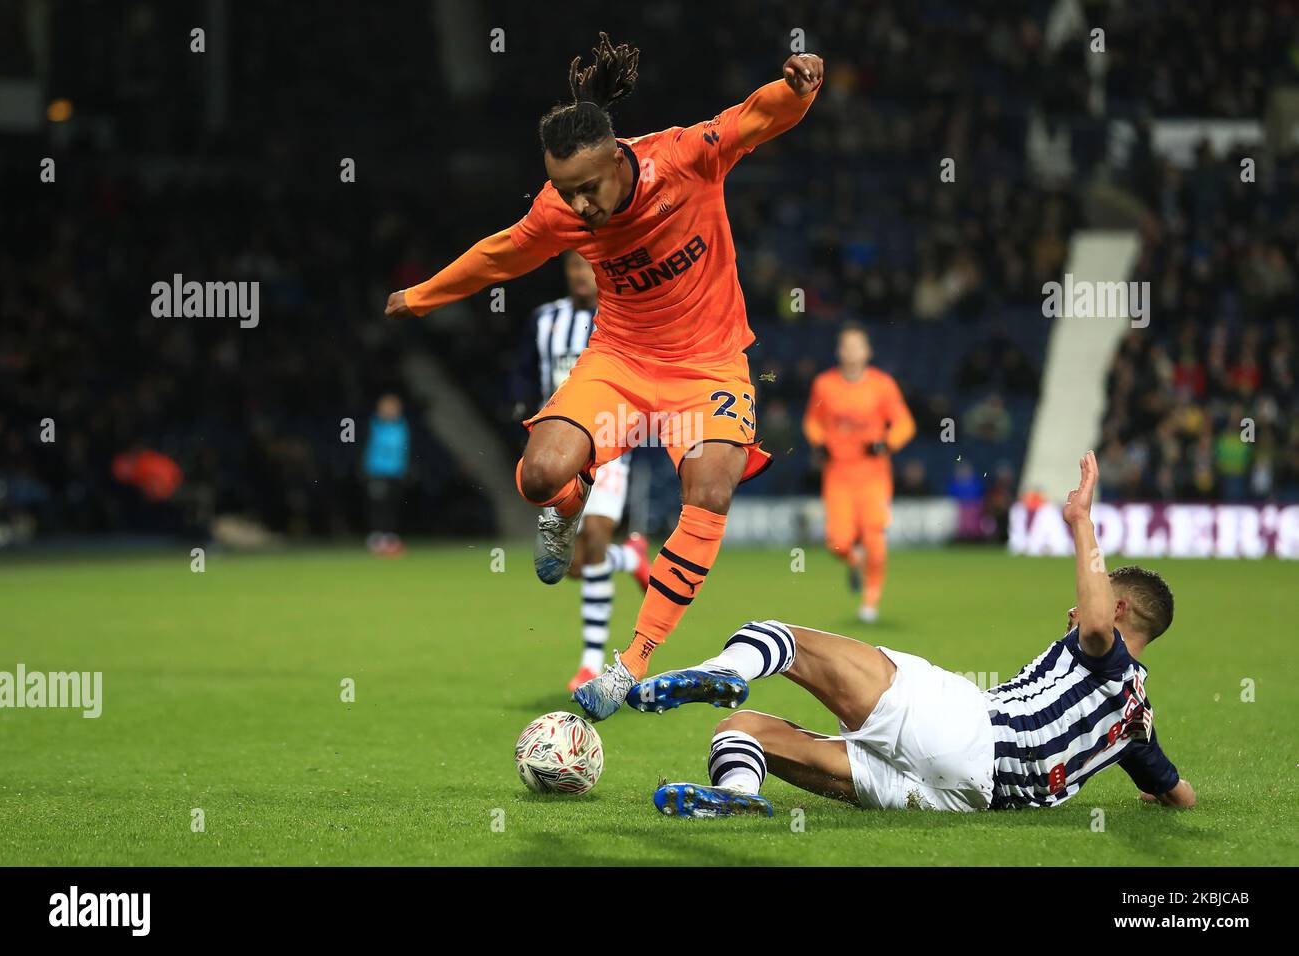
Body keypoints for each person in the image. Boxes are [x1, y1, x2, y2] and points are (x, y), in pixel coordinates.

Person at [385, 33, 823, 719]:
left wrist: (799, 88)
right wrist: (423, 295)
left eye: (588, 188)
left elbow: (756, 116)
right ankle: (568, 504)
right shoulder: (561, 207)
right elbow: (501, 254)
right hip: (620, 361)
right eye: (566, 191)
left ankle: (632, 663)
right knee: (537, 475)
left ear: (616, 158)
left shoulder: (685, 157)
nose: (579, 205)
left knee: (709, 485)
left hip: (707, 365)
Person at [629, 451, 1196, 818]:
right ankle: (738, 796)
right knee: (741, 730)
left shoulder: (1105, 655)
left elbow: (1096, 623)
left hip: (969, 729)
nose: (1075, 608)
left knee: (778, 638)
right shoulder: (1136, 723)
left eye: (1093, 596)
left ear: (1119, 607)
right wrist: (1160, 793)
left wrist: (1081, 522)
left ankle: (724, 670)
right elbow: (1180, 794)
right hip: (962, 800)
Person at [520, 251, 650, 690]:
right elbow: (526, 379)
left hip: (609, 443)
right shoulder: (543, 319)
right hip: (560, 449)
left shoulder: (623, 319)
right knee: (574, 564)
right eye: (573, 267)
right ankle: (631, 557)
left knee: (593, 538)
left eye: (587, 268)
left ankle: (591, 664)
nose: (580, 275)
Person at [803, 324, 914, 622]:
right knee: (837, 542)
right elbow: (813, 422)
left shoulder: (882, 385)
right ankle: (855, 559)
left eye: (857, 346)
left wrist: (886, 443)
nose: (851, 352)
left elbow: (904, 424)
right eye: (846, 346)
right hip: (838, 473)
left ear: (867, 351)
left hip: (873, 475)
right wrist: (819, 442)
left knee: (874, 535)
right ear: (839, 352)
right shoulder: (824, 384)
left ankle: (870, 603)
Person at [364, 394, 409, 557]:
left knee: (391, 506)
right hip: (378, 471)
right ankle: (377, 539)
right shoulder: (376, 425)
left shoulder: (401, 426)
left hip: (395, 473)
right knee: (379, 506)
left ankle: (390, 538)